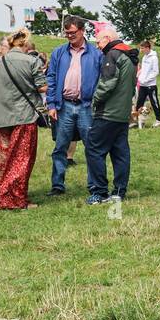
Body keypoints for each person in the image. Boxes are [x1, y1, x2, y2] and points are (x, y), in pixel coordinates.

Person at [0, 28, 47, 210]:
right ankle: (13, 199)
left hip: (0, 117)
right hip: (24, 116)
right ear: (25, 44)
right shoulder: (32, 61)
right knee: (20, 160)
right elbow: (42, 87)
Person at [45, 15, 101, 197]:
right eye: (66, 33)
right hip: (64, 106)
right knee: (60, 147)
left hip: (87, 106)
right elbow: (51, 79)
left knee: (91, 147)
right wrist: (52, 104)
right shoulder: (58, 53)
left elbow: (102, 81)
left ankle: (94, 185)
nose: (69, 36)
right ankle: (57, 185)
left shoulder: (96, 54)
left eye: (72, 32)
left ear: (83, 31)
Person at [84, 26, 137, 205]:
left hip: (107, 113)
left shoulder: (112, 55)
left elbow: (107, 84)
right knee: (120, 152)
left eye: (98, 42)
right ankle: (119, 191)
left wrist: (94, 101)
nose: (97, 46)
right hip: (122, 114)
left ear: (107, 38)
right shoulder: (130, 55)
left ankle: (99, 192)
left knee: (93, 149)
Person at [135, 39, 160, 127]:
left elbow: (155, 72)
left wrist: (146, 80)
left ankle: (158, 121)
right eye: (140, 48)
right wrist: (139, 74)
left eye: (142, 48)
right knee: (139, 103)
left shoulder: (154, 58)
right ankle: (138, 120)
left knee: (154, 103)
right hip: (142, 85)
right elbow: (144, 68)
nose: (141, 50)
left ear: (147, 48)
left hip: (151, 85)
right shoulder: (144, 57)